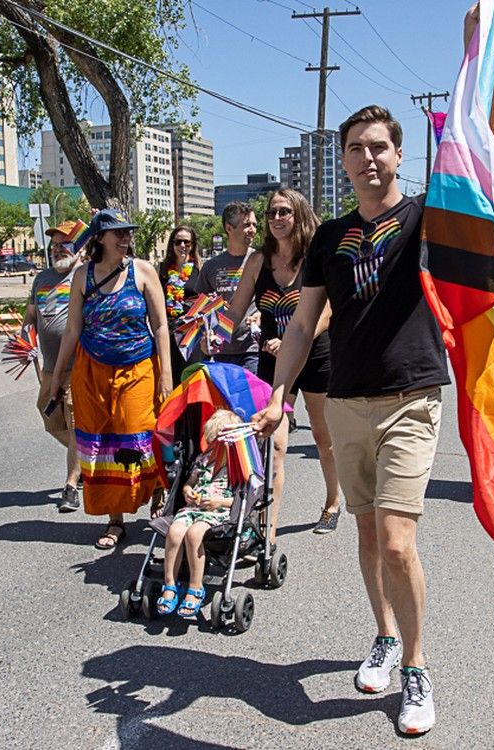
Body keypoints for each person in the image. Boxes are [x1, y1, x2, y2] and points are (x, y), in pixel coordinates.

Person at [253, 105, 452, 735]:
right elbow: (304, 322)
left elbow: (483, 224)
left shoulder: (427, 217)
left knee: (397, 542)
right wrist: (278, 392)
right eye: (356, 149)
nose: (369, 158)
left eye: (379, 148)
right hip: (344, 402)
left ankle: (417, 668)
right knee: (367, 539)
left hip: (410, 398)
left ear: (398, 155)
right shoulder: (327, 240)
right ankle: (385, 638)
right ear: (342, 161)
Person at [49, 209, 172, 550]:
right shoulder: (82, 276)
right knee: (102, 444)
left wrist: (166, 378)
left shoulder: (143, 271)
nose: (125, 238)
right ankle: (115, 519)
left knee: (140, 436)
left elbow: (161, 327)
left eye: (127, 232)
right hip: (92, 371)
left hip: (138, 369)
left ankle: (158, 494)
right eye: (117, 233)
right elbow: (73, 330)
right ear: (99, 238)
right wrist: (58, 376)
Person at [223, 188, 341, 537]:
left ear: (298, 214)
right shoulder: (259, 261)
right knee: (272, 442)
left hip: (318, 357)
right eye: (272, 213)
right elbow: (235, 309)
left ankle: (333, 502)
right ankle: (267, 529)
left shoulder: (315, 257)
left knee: (323, 437)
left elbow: (328, 312)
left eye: (284, 212)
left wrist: (292, 340)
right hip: (273, 363)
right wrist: (212, 334)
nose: (276, 219)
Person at [24, 222, 86, 512]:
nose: (58, 249)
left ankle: (71, 484)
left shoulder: (85, 275)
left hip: (78, 365)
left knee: (75, 424)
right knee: (50, 420)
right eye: (55, 245)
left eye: (65, 244)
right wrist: (24, 337)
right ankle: (86, 461)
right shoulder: (41, 279)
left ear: (78, 248)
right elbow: (30, 318)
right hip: (49, 366)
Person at [157, 409, 240, 618]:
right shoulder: (204, 459)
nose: (215, 446)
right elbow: (189, 483)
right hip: (194, 508)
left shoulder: (237, 465)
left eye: (219, 442)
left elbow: (241, 499)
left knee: (194, 534)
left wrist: (219, 501)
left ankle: (196, 588)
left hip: (218, 512)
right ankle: (169, 585)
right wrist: (187, 492)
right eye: (212, 441)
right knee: (175, 532)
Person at [192, 202, 261, 373]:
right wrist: (205, 337)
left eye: (254, 224)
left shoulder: (262, 260)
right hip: (222, 348)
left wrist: (260, 314)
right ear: (229, 228)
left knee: (249, 398)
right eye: (246, 225)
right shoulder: (211, 266)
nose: (252, 229)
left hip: (253, 348)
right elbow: (201, 309)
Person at [159, 225, 202, 383]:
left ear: (193, 245)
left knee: (190, 379)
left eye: (187, 242)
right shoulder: (163, 270)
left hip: (191, 334)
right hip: (169, 334)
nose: (182, 246)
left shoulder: (199, 270)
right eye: (178, 242)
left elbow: (206, 301)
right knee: (173, 378)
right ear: (172, 244)